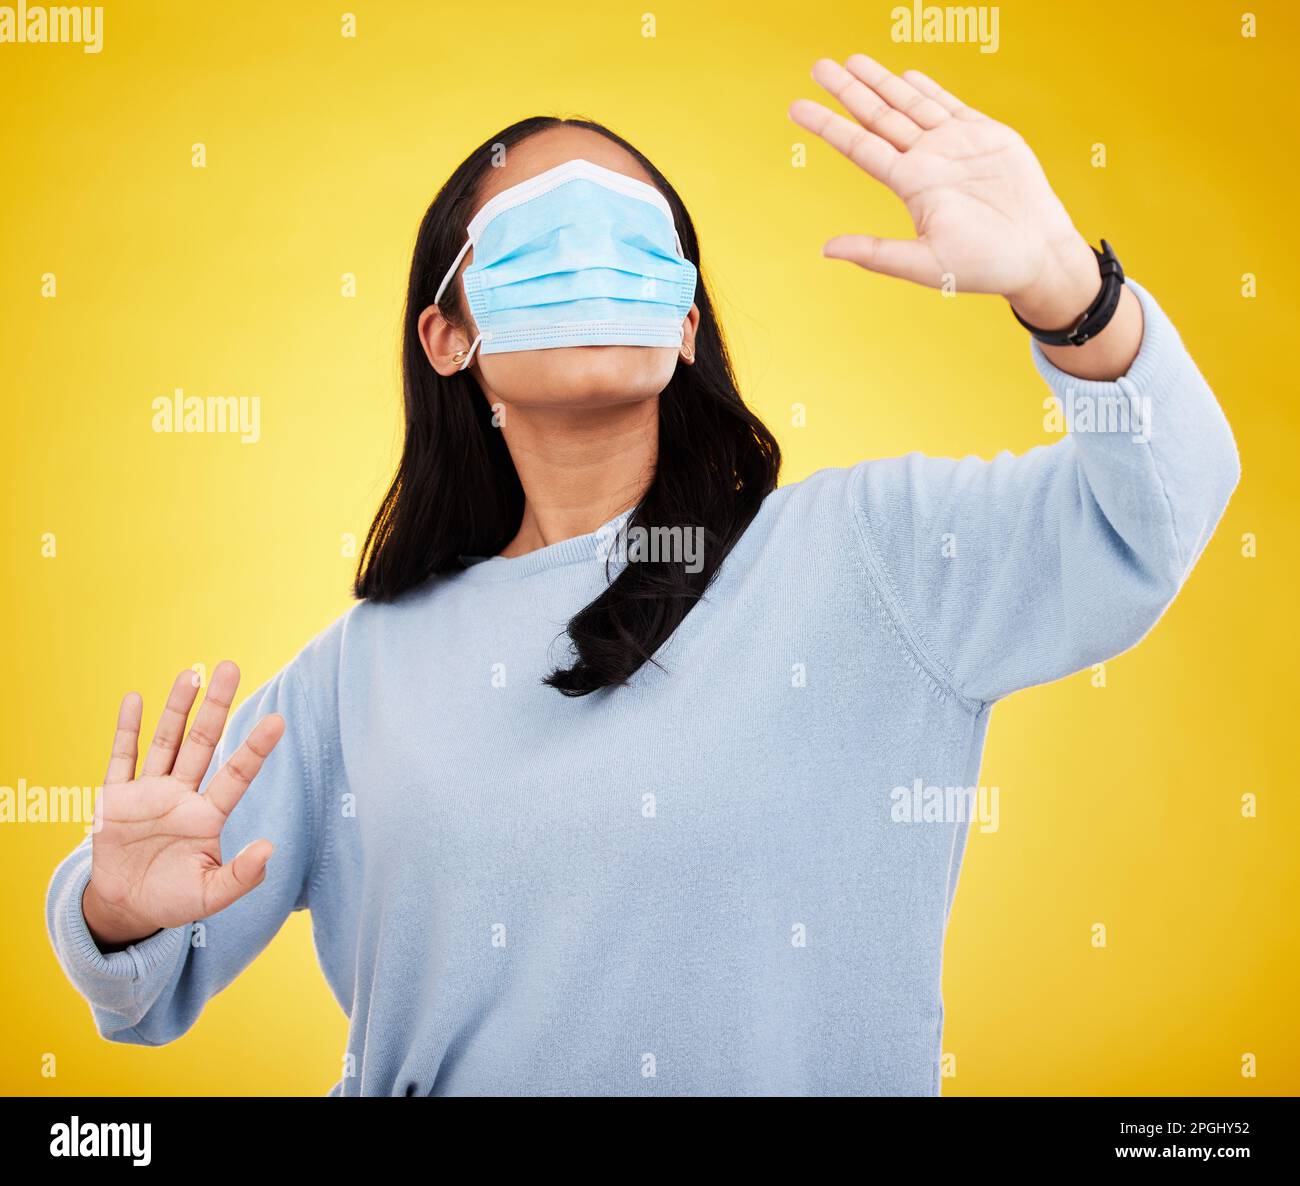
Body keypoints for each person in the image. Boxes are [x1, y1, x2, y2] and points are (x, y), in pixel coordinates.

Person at [46, 55, 1238, 1096]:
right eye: (534, 233)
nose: (590, 253)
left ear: (679, 317)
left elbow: (1159, 508)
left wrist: (1070, 293)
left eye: (633, 235)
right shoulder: (360, 669)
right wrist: (115, 906)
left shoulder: (868, 554)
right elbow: (146, 980)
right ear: (448, 336)